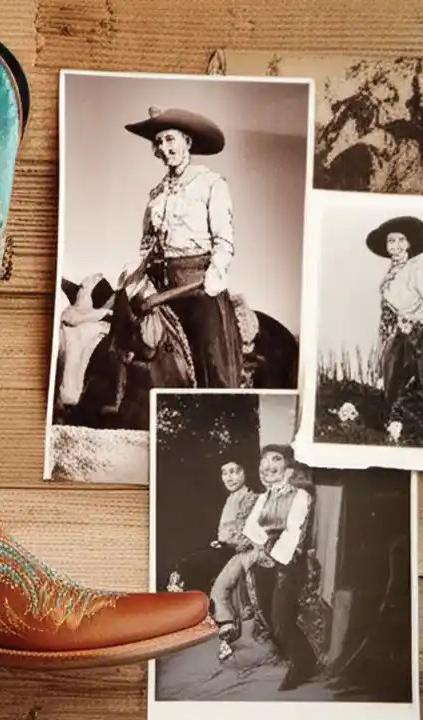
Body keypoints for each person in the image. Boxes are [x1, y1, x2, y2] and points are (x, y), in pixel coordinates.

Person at [120, 106, 244, 388]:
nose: (164, 148)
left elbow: (224, 240)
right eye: (159, 142)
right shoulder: (156, 195)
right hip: (160, 287)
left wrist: (215, 274)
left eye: (170, 139)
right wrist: (136, 275)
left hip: (198, 286)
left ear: (187, 141)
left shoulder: (211, 184)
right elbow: (147, 246)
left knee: (214, 363)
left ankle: (224, 410)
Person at [241, 443, 318, 691]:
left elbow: (294, 532)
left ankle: (305, 664)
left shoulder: (300, 496)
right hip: (264, 561)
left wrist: (272, 553)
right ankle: (293, 657)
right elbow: (250, 527)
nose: (267, 466)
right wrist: (264, 548)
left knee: (282, 621)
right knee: (270, 619)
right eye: (264, 462)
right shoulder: (263, 498)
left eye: (275, 460)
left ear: (288, 468)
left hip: (289, 563)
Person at [369, 215, 423, 409]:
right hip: (394, 334)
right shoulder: (392, 272)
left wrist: (409, 317)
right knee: (390, 385)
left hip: (414, 336)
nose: (395, 245)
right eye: (391, 240)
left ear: (408, 244)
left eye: (400, 240)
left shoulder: (417, 271)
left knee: (421, 386)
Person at [166, 461, 259, 597]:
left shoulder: (252, 499)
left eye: (234, 472)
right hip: (225, 549)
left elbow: (248, 535)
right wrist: (220, 542)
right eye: (225, 473)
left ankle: (201, 606)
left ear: (245, 472)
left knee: (191, 564)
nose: (229, 478)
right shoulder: (229, 500)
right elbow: (225, 532)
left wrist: (227, 543)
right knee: (188, 562)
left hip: (241, 551)